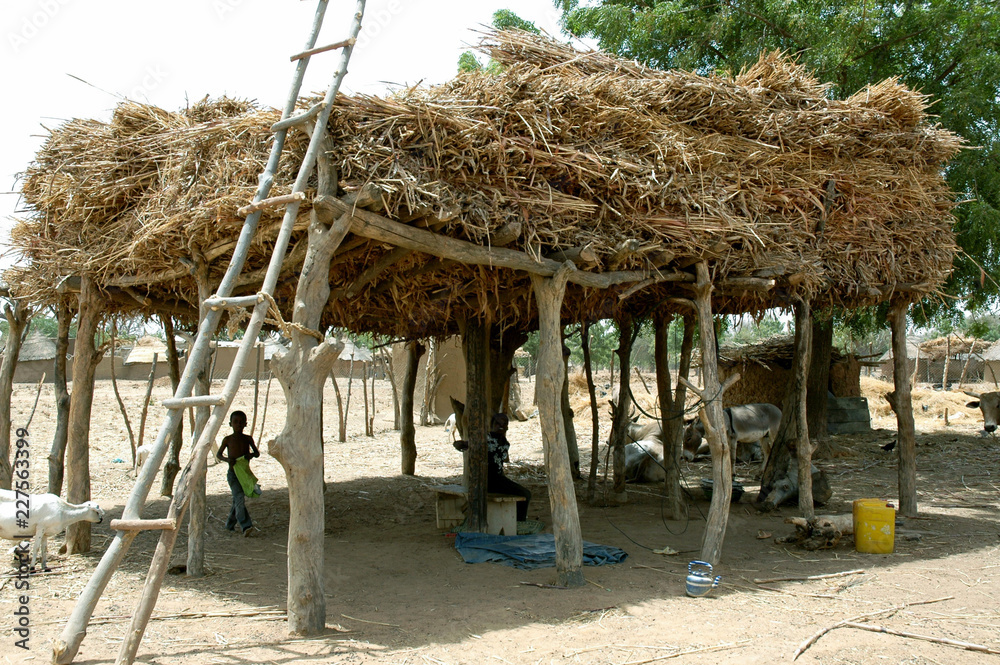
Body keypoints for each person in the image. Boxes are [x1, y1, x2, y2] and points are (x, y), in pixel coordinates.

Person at [454, 413, 531, 521]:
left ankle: (517, 520)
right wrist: (461, 444)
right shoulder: (484, 439)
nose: (501, 425)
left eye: (504, 424)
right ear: (491, 425)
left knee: (524, 494)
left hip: (498, 479)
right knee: (525, 494)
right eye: (497, 423)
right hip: (486, 480)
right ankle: (519, 522)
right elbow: (465, 444)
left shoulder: (505, 443)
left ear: (507, 427)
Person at [216, 410, 260, 537]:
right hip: (233, 474)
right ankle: (246, 525)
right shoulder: (228, 439)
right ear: (230, 424)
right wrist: (227, 459)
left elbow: (257, 453)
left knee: (237, 500)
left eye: (241, 422)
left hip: (244, 474)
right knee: (239, 498)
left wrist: (250, 455)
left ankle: (230, 524)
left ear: (245, 424)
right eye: (236, 422)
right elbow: (219, 454)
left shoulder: (247, 439)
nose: (239, 425)